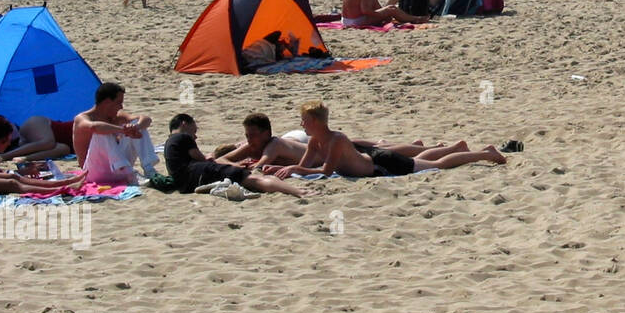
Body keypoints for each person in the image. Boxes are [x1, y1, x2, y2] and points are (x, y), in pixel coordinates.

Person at [271, 101, 507, 179]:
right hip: (375, 160)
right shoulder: (315, 141)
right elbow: (307, 165)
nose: (302, 125)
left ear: (318, 122)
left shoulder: (336, 140)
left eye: (305, 121)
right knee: (420, 162)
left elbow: (325, 170)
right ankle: (459, 148)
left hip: (381, 166)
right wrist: (281, 169)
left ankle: (486, 154)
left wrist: (293, 168)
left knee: (435, 166)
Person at [164, 113, 310, 197]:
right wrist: (236, 165)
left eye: (251, 135)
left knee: (255, 178)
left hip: (189, 182)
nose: (195, 137)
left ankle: (298, 191)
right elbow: (203, 159)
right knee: (256, 179)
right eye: (194, 132)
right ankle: (299, 191)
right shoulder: (183, 137)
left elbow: (260, 166)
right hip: (201, 172)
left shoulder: (169, 143)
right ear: (184, 124)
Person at [73, 82, 159, 184]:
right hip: (94, 173)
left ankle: (148, 168)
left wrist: (135, 127)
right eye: (118, 102)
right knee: (102, 131)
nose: (121, 107)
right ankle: (129, 173)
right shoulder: (83, 118)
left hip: (117, 169)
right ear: (107, 102)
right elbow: (94, 127)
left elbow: (146, 119)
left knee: (134, 124)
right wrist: (123, 130)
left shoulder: (117, 116)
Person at [214, 113, 308, 167]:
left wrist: (240, 166)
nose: (249, 140)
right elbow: (220, 160)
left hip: (301, 139)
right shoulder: (251, 145)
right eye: (247, 136)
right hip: (287, 141)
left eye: (253, 135)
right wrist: (236, 165)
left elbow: (259, 166)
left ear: (266, 133)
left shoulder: (274, 145)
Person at [0, 114, 75, 161]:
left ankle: (24, 158)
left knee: (64, 148)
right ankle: (5, 156)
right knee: (48, 142)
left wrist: (27, 158)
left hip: (44, 143)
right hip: (43, 125)